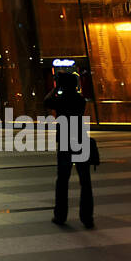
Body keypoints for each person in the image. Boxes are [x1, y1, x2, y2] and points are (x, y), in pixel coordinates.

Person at [44, 71, 94, 228]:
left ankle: (60, 215)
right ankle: (87, 217)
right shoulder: (80, 99)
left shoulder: (61, 100)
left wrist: (56, 87)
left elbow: (47, 101)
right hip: (81, 140)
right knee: (85, 181)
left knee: (62, 180)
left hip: (66, 141)